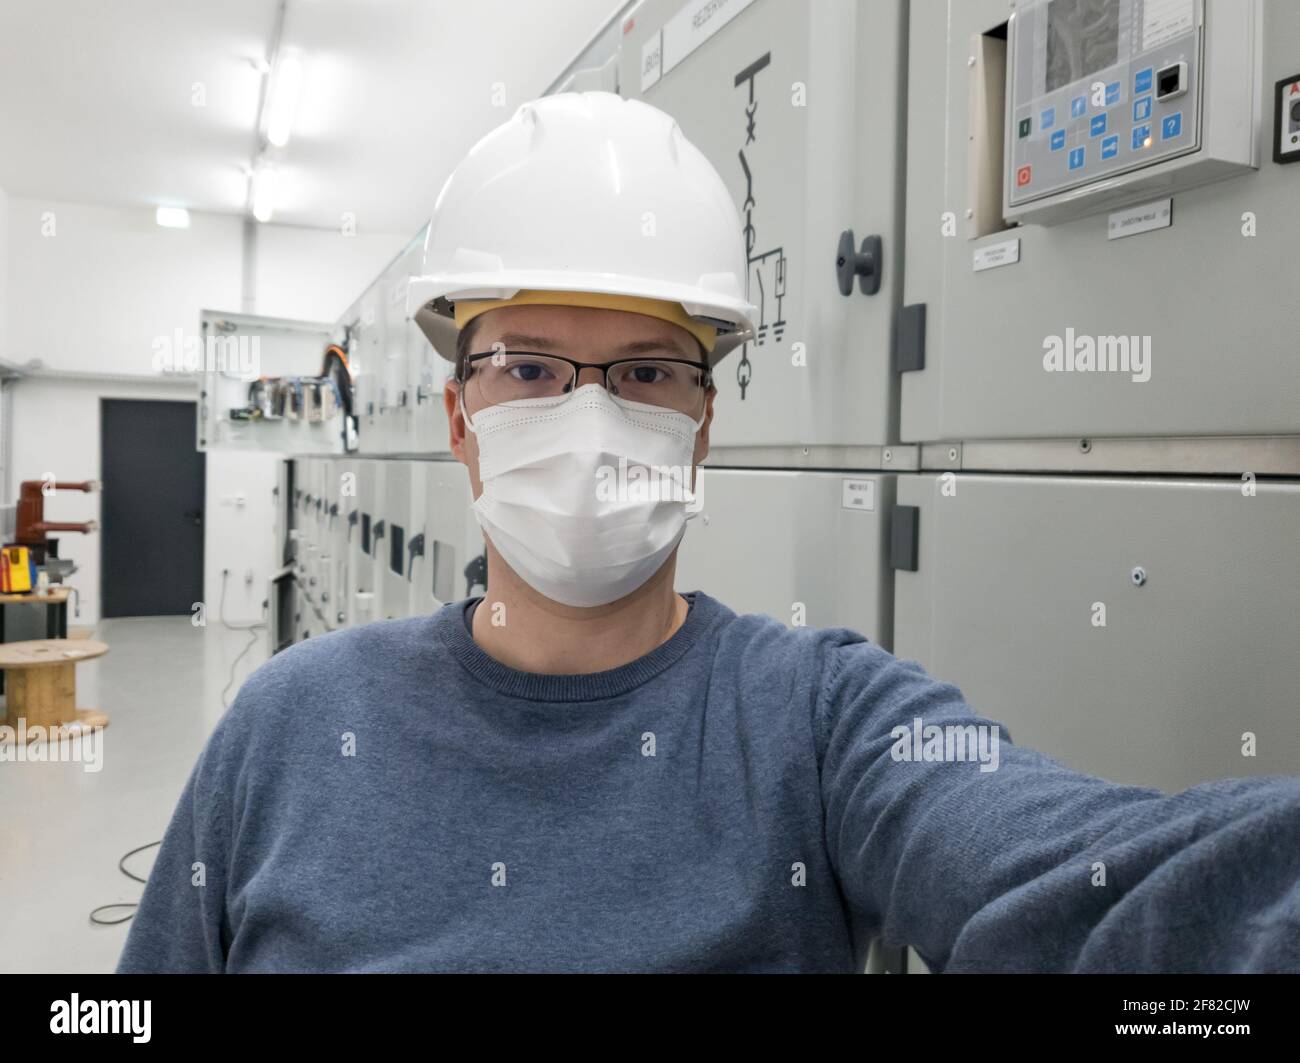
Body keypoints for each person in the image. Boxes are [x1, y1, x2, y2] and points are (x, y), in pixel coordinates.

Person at [117, 92, 1300, 973]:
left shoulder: (819, 722)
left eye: (640, 370)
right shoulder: (291, 721)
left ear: (702, 422)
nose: (584, 416)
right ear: (459, 419)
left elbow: (1096, 888)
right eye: (527, 367)